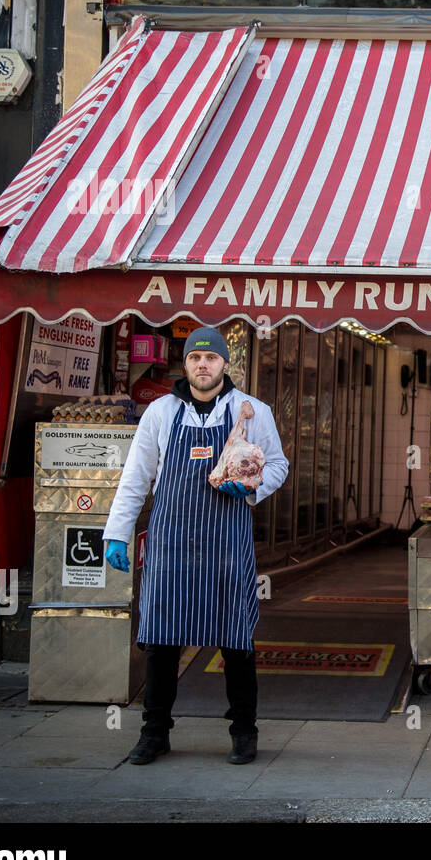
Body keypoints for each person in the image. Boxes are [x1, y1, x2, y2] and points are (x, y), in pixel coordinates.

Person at [102, 327, 288, 766]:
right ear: (184, 365)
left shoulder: (251, 411)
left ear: (225, 364)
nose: (202, 365)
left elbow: (278, 463)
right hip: (171, 543)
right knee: (161, 641)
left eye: (211, 358)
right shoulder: (161, 413)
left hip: (227, 542)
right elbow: (136, 476)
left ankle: (244, 730)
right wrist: (116, 531)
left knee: (237, 641)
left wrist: (255, 489)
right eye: (194, 358)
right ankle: (154, 732)